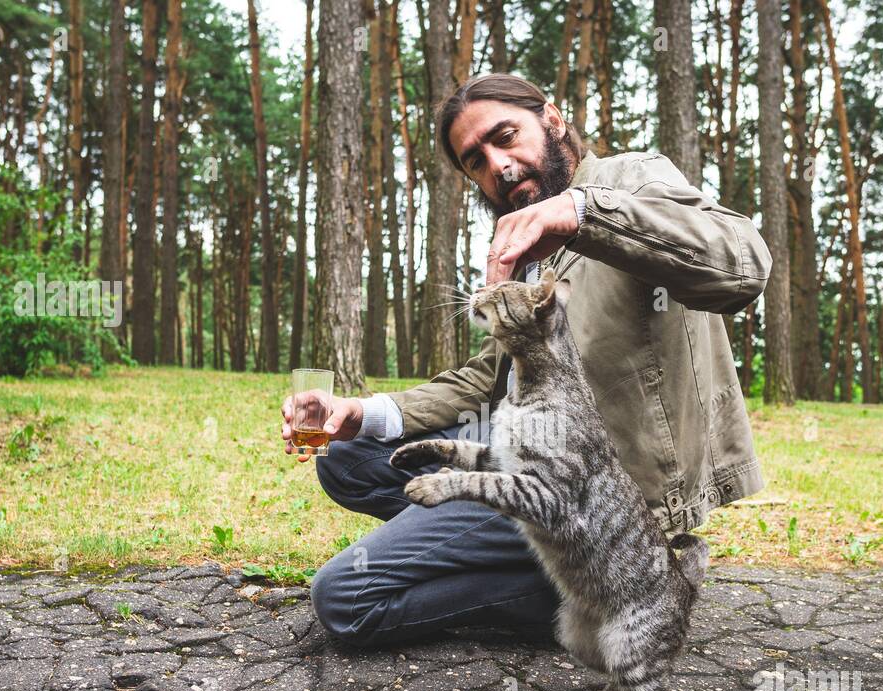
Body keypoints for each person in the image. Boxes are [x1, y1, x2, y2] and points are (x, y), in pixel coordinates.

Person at [280, 73, 771, 650]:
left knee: (346, 601)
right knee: (345, 456)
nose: (499, 166)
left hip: (600, 494)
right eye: (476, 161)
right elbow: (488, 377)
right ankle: (560, 569)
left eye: (506, 136)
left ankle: (585, 593)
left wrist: (582, 215)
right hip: (529, 455)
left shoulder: (630, 180)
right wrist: (360, 411)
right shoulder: (524, 246)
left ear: (553, 118)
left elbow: (742, 265)